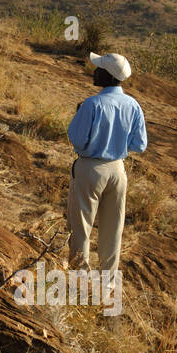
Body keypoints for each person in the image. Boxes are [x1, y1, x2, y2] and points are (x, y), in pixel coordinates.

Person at [66, 51, 148, 274]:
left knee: (81, 227)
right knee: (113, 229)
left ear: (108, 76)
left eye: (99, 68)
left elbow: (76, 138)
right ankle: (108, 283)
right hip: (118, 170)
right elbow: (140, 145)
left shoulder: (92, 104)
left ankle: (79, 280)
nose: (94, 71)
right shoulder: (133, 105)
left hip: (90, 168)